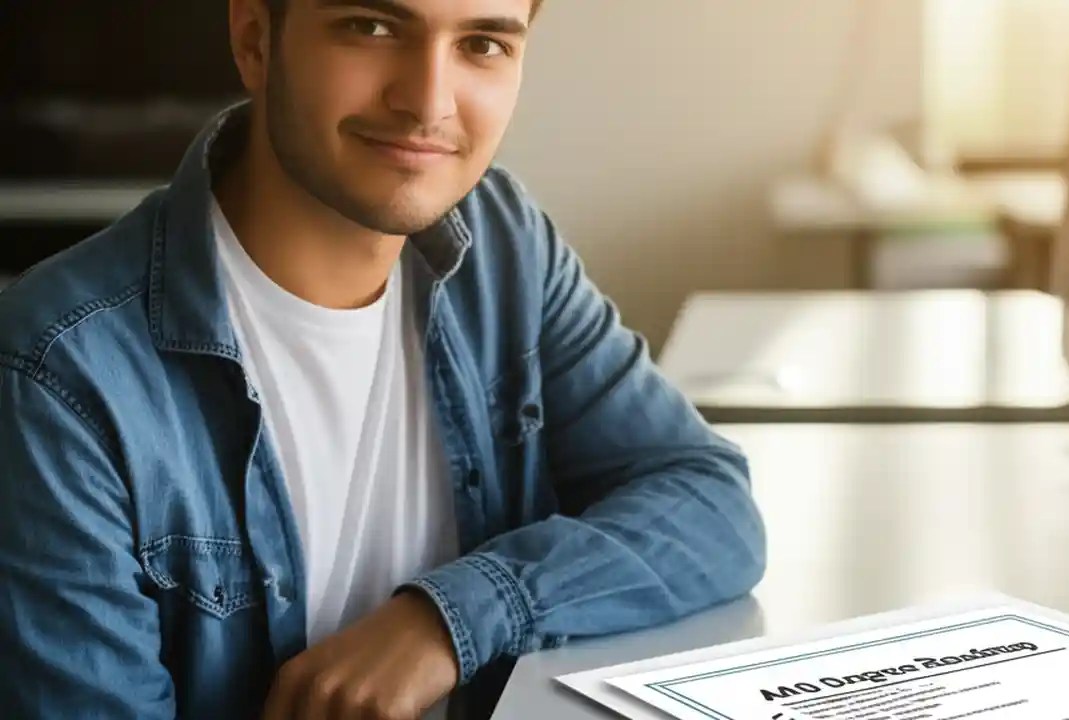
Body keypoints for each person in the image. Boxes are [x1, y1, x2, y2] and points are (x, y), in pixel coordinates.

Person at [0, 1, 767, 717]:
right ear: (255, 38)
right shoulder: (56, 375)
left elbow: (708, 506)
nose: (428, 102)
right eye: (372, 27)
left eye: (482, 44)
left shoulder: (503, 245)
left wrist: (449, 618)